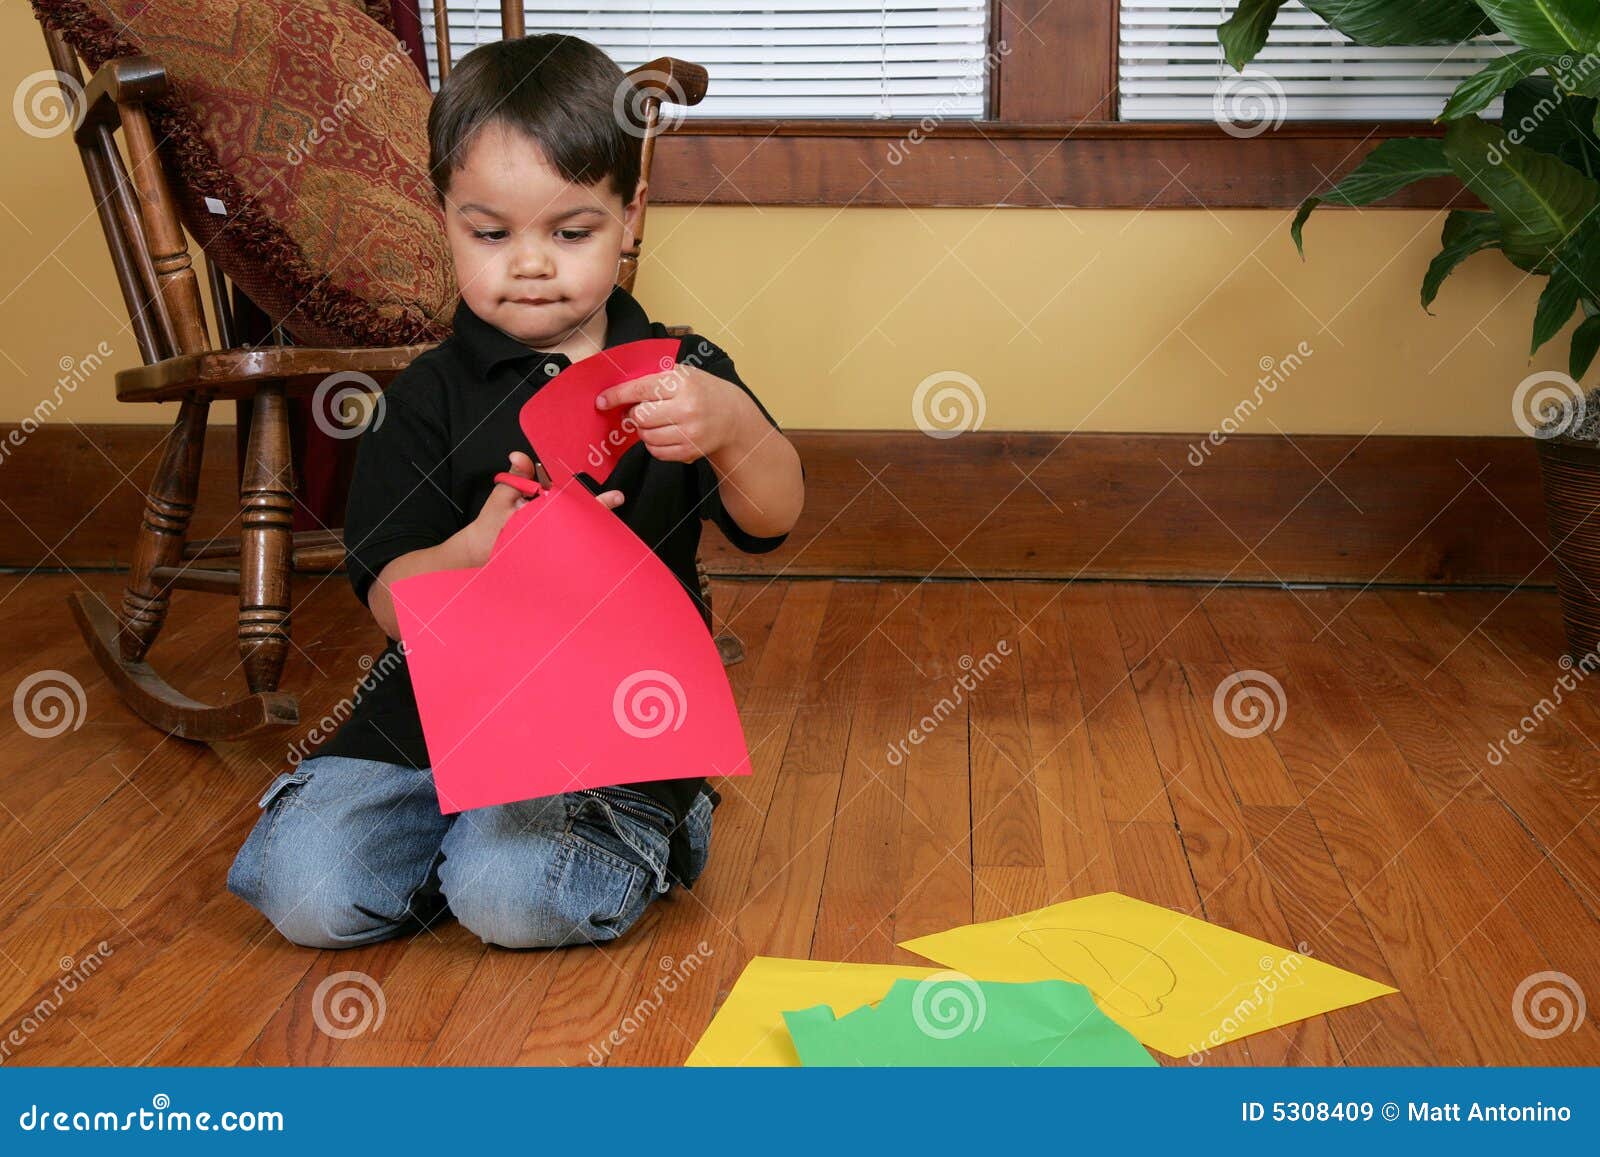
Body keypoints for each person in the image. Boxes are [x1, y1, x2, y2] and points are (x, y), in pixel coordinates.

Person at [226, 33, 805, 951]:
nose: (530, 264)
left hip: (617, 719)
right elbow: (387, 601)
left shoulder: (680, 373)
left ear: (630, 214)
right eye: (490, 233)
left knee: (515, 897)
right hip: (437, 707)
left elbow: (774, 515)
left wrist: (731, 423)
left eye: (571, 233)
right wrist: (475, 555)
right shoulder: (423, 396)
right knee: (309, 894)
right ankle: (459, 844)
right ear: (446, 219)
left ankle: (626, 828)